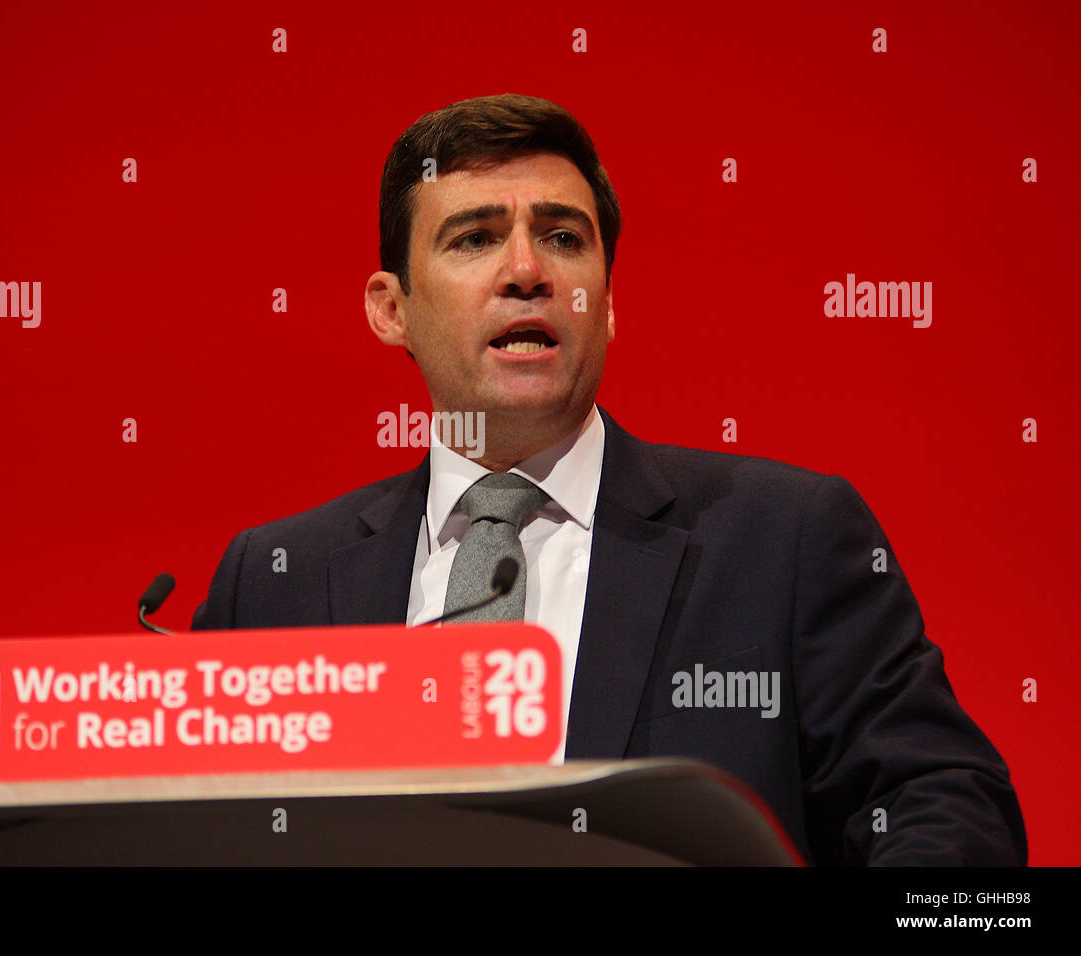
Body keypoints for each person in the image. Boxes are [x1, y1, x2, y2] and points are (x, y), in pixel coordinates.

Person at [191, 93, 1026, 866]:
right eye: (475, 237)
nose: (527, 270)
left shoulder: (786, 539)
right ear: (390, 308)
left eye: (563, 237)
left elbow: (950, 808)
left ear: (608, 300)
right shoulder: (273, 585)